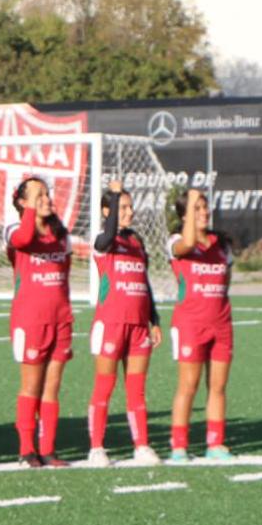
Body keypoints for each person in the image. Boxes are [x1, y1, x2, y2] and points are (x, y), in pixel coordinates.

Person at [87, 183, 163, 468]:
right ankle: (96, 447)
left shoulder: (136, 241)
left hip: (137, 326)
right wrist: (115, 196)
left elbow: (145, 282)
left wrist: (154, 320)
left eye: (130, 207)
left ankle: (141, 445)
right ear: (108, 211)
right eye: (123, 208)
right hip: (111, 324)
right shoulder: (103, 241)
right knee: (105, 386)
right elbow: (106, 236)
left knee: (137, 388)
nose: (129, 212)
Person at [7, 176, 73, 468]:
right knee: (30, 386)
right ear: (22, 203)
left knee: (52, 386)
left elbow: (65, 276)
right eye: (37, 195)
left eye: (46, 194)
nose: (45, 199)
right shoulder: (15, 230)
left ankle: (48, 449)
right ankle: (26, 450)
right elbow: (23, 239)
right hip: (30, 320)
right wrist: (31, 209)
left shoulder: (61, 234)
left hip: (60, 319)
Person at [168, 187, 235, 462]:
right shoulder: (176, 242)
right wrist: (191, 199)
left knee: (217, 386)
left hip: (220, 325)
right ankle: (179, 446)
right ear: (184, 216)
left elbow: (226, 283)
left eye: (205, 207)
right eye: (196, 208)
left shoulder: (222, 245)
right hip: (190, 325)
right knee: (188, 385)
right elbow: (186, 244)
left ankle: (215, 443)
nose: (204, 212)